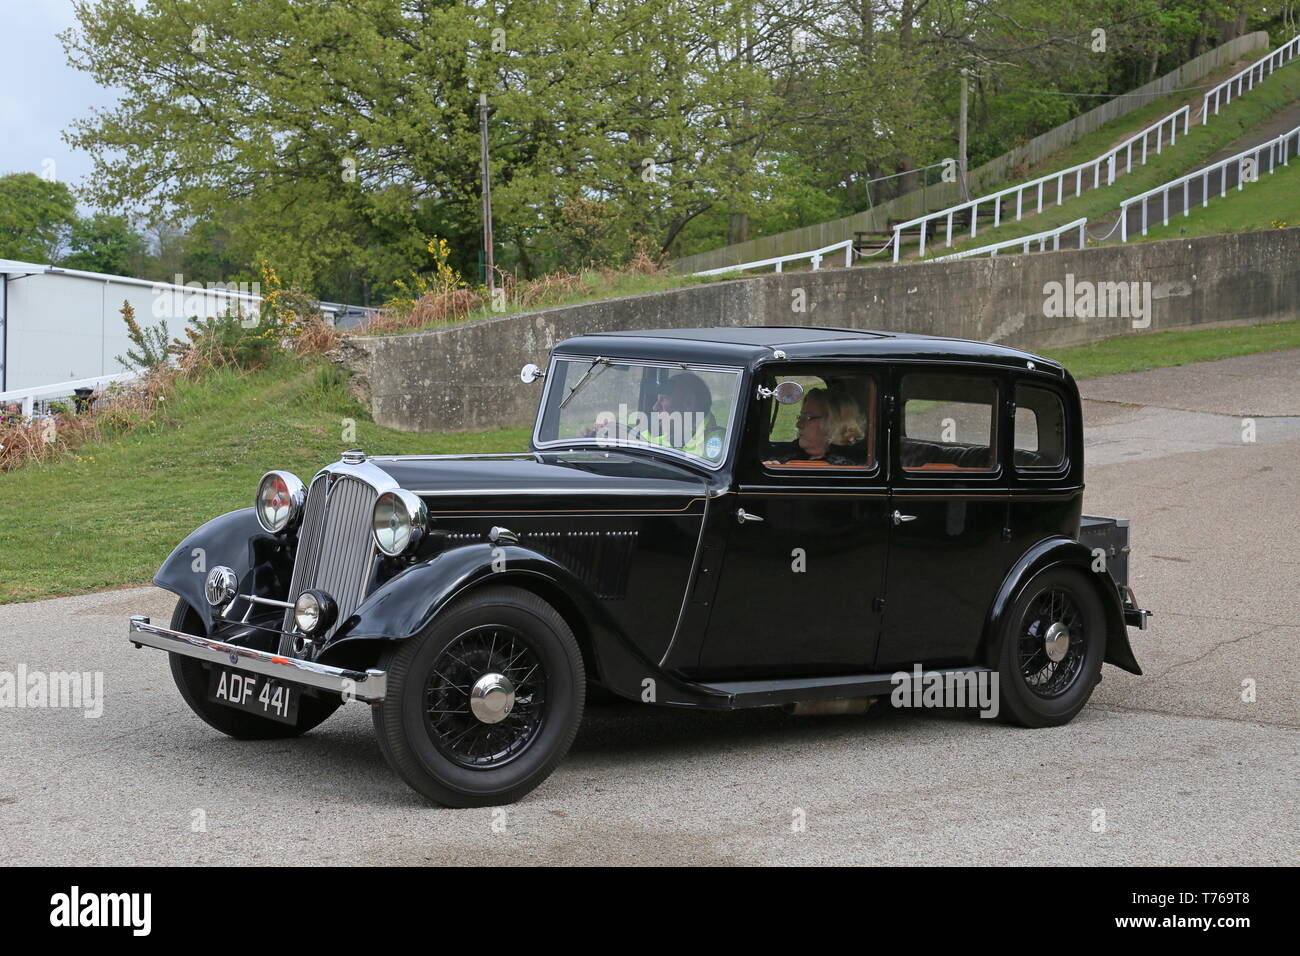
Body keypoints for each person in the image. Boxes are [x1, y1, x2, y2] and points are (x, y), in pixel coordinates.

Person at [768, 387, 868, 466]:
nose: (798, 425)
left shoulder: (849, 466)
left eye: (807, 417)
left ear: (834, 423)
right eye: (801, 417)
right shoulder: (794, 451)